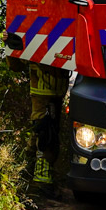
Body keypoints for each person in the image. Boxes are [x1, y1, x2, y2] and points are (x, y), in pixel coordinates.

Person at [25, 60, 67, 200]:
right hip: (43, 92)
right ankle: (41, 182)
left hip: (53, 93)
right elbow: (15, 63)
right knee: (45, 135)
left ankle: (28, 174)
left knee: (41, 133)